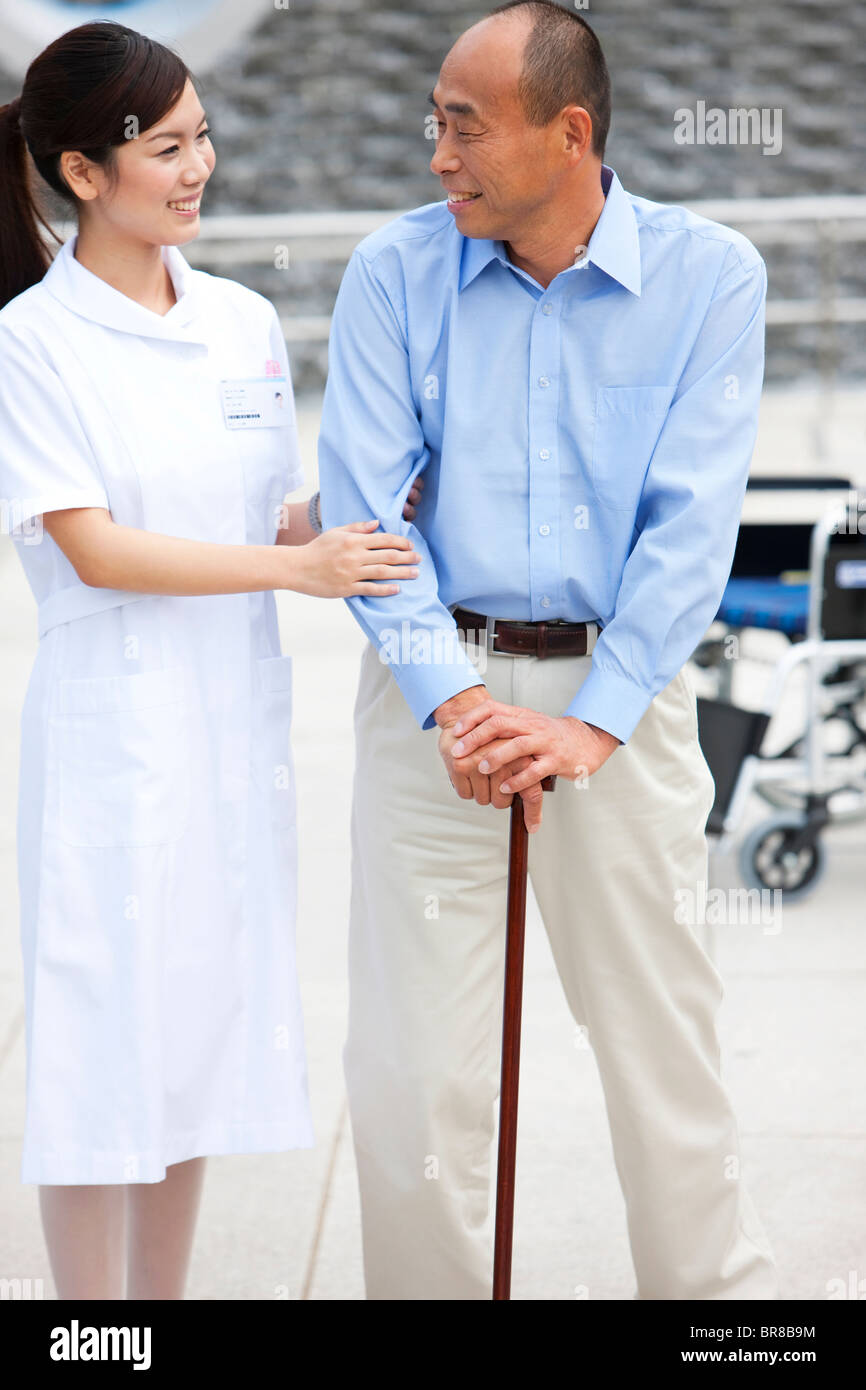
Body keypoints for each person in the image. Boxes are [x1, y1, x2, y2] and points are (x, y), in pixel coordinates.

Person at [318, 1, 780, 1299]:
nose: (436, 158)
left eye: (463, 126)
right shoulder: (389, 274)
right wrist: (457, 703)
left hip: (615, 708)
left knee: (660, 1054)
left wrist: (592, 717)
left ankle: (718, 1318)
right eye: (432, 123)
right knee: (414, 1076)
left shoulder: (709, 277)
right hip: (428, 714)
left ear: (567, 131)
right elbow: (364, 512)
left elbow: (691, 526)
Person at [0, 20, 422, 1300]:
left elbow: (265, 507)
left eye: (204, 138)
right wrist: (295, 570)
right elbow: (99, 549)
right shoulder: (33, 340)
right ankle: (89, 1337)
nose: (201, 167)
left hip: (226, 740)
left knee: (188, 1044)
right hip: (112, 751)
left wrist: (338, 522)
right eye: (169, 147)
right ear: (85, 171)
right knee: (97, 1056)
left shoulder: (241, 317)